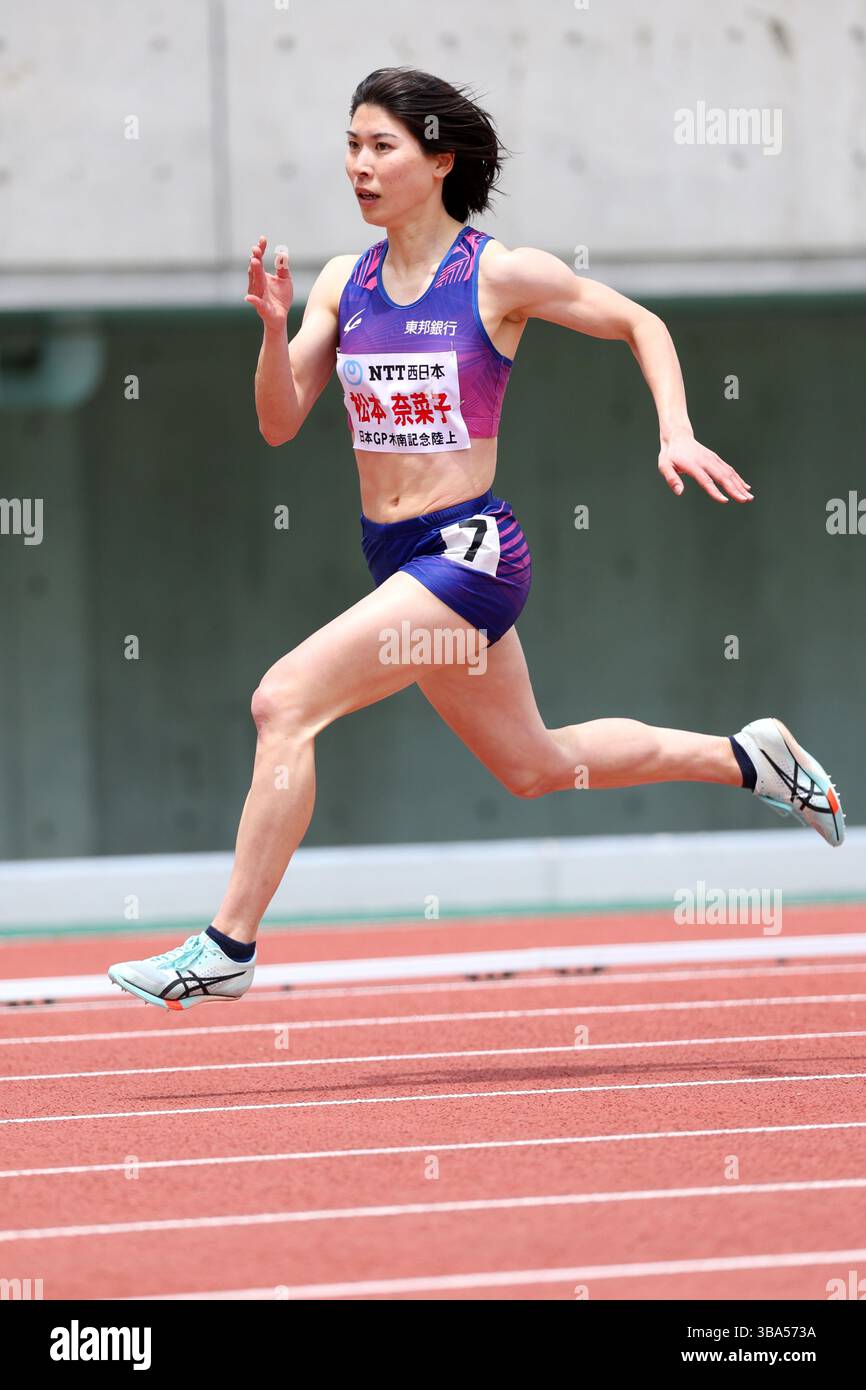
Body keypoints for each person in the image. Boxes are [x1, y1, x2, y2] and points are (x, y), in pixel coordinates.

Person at [108, 67, 844, 1011]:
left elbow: (638, 323)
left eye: (382, 148)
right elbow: (281, 419)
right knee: (535, 766)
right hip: (398, 555)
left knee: (282, 702)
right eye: (352, 146)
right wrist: (271, 329)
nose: (359, 167)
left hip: (469, 551)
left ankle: (226, 947)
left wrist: (677, 430)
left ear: (438, 160)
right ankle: (749, 757)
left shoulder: (498, 274)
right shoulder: (346, 280)